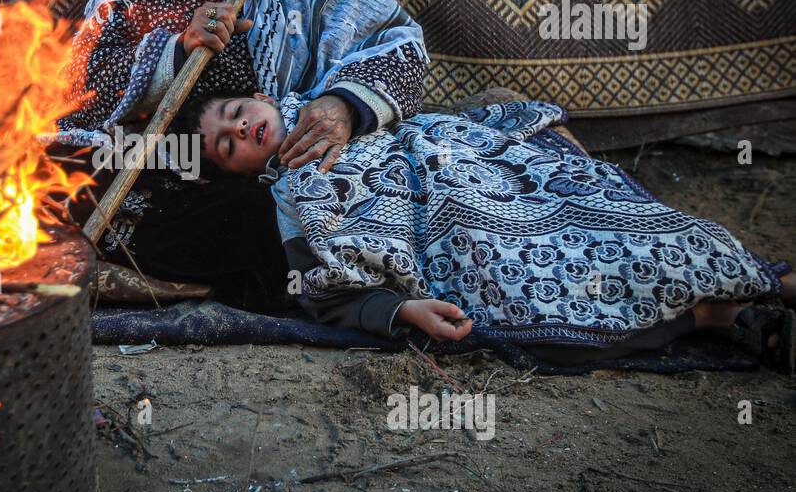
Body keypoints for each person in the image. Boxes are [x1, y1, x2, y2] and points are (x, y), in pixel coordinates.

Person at [52, 0, 428, 308]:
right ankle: (176, 274)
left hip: (280, 160)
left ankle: (185, 278)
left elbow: (398, 43)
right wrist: (175, 48)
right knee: (54, 168)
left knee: (260, 215)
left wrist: (342, 105)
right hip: (172, 161)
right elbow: (82, 83)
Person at [172, 89, 796, 371]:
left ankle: (767, 281)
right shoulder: (290, 202)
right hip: (462, 250)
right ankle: (721, 315)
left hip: (480, 174)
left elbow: (420, 113)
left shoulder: (337, 97)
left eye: (234, 113)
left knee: (614, 221)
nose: (238, 131)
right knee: (552, 307)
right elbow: (325, 291)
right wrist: (403, 310)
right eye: (227, 147)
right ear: (243, 172)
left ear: (259, 97)